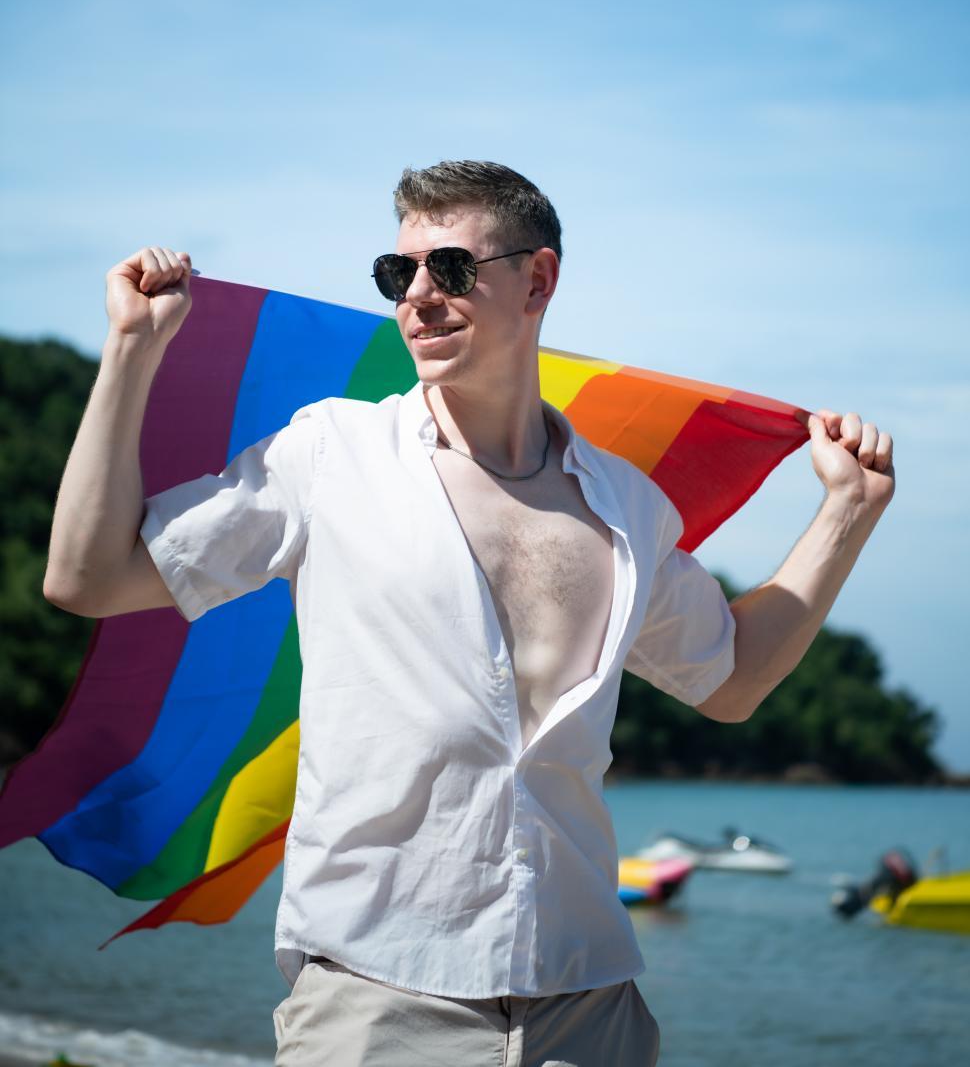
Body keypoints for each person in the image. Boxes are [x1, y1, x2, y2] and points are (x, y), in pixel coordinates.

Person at [44, 160, 894, 1066]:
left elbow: (732, 678)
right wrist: (132, 350)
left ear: (539, 280)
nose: (418, 296)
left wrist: (848, 510)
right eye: (395, 273)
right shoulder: (329, 454)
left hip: (588, 1003)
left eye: (450, 268)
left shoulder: (625, 506)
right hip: (376, 998)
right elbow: (89, 577)